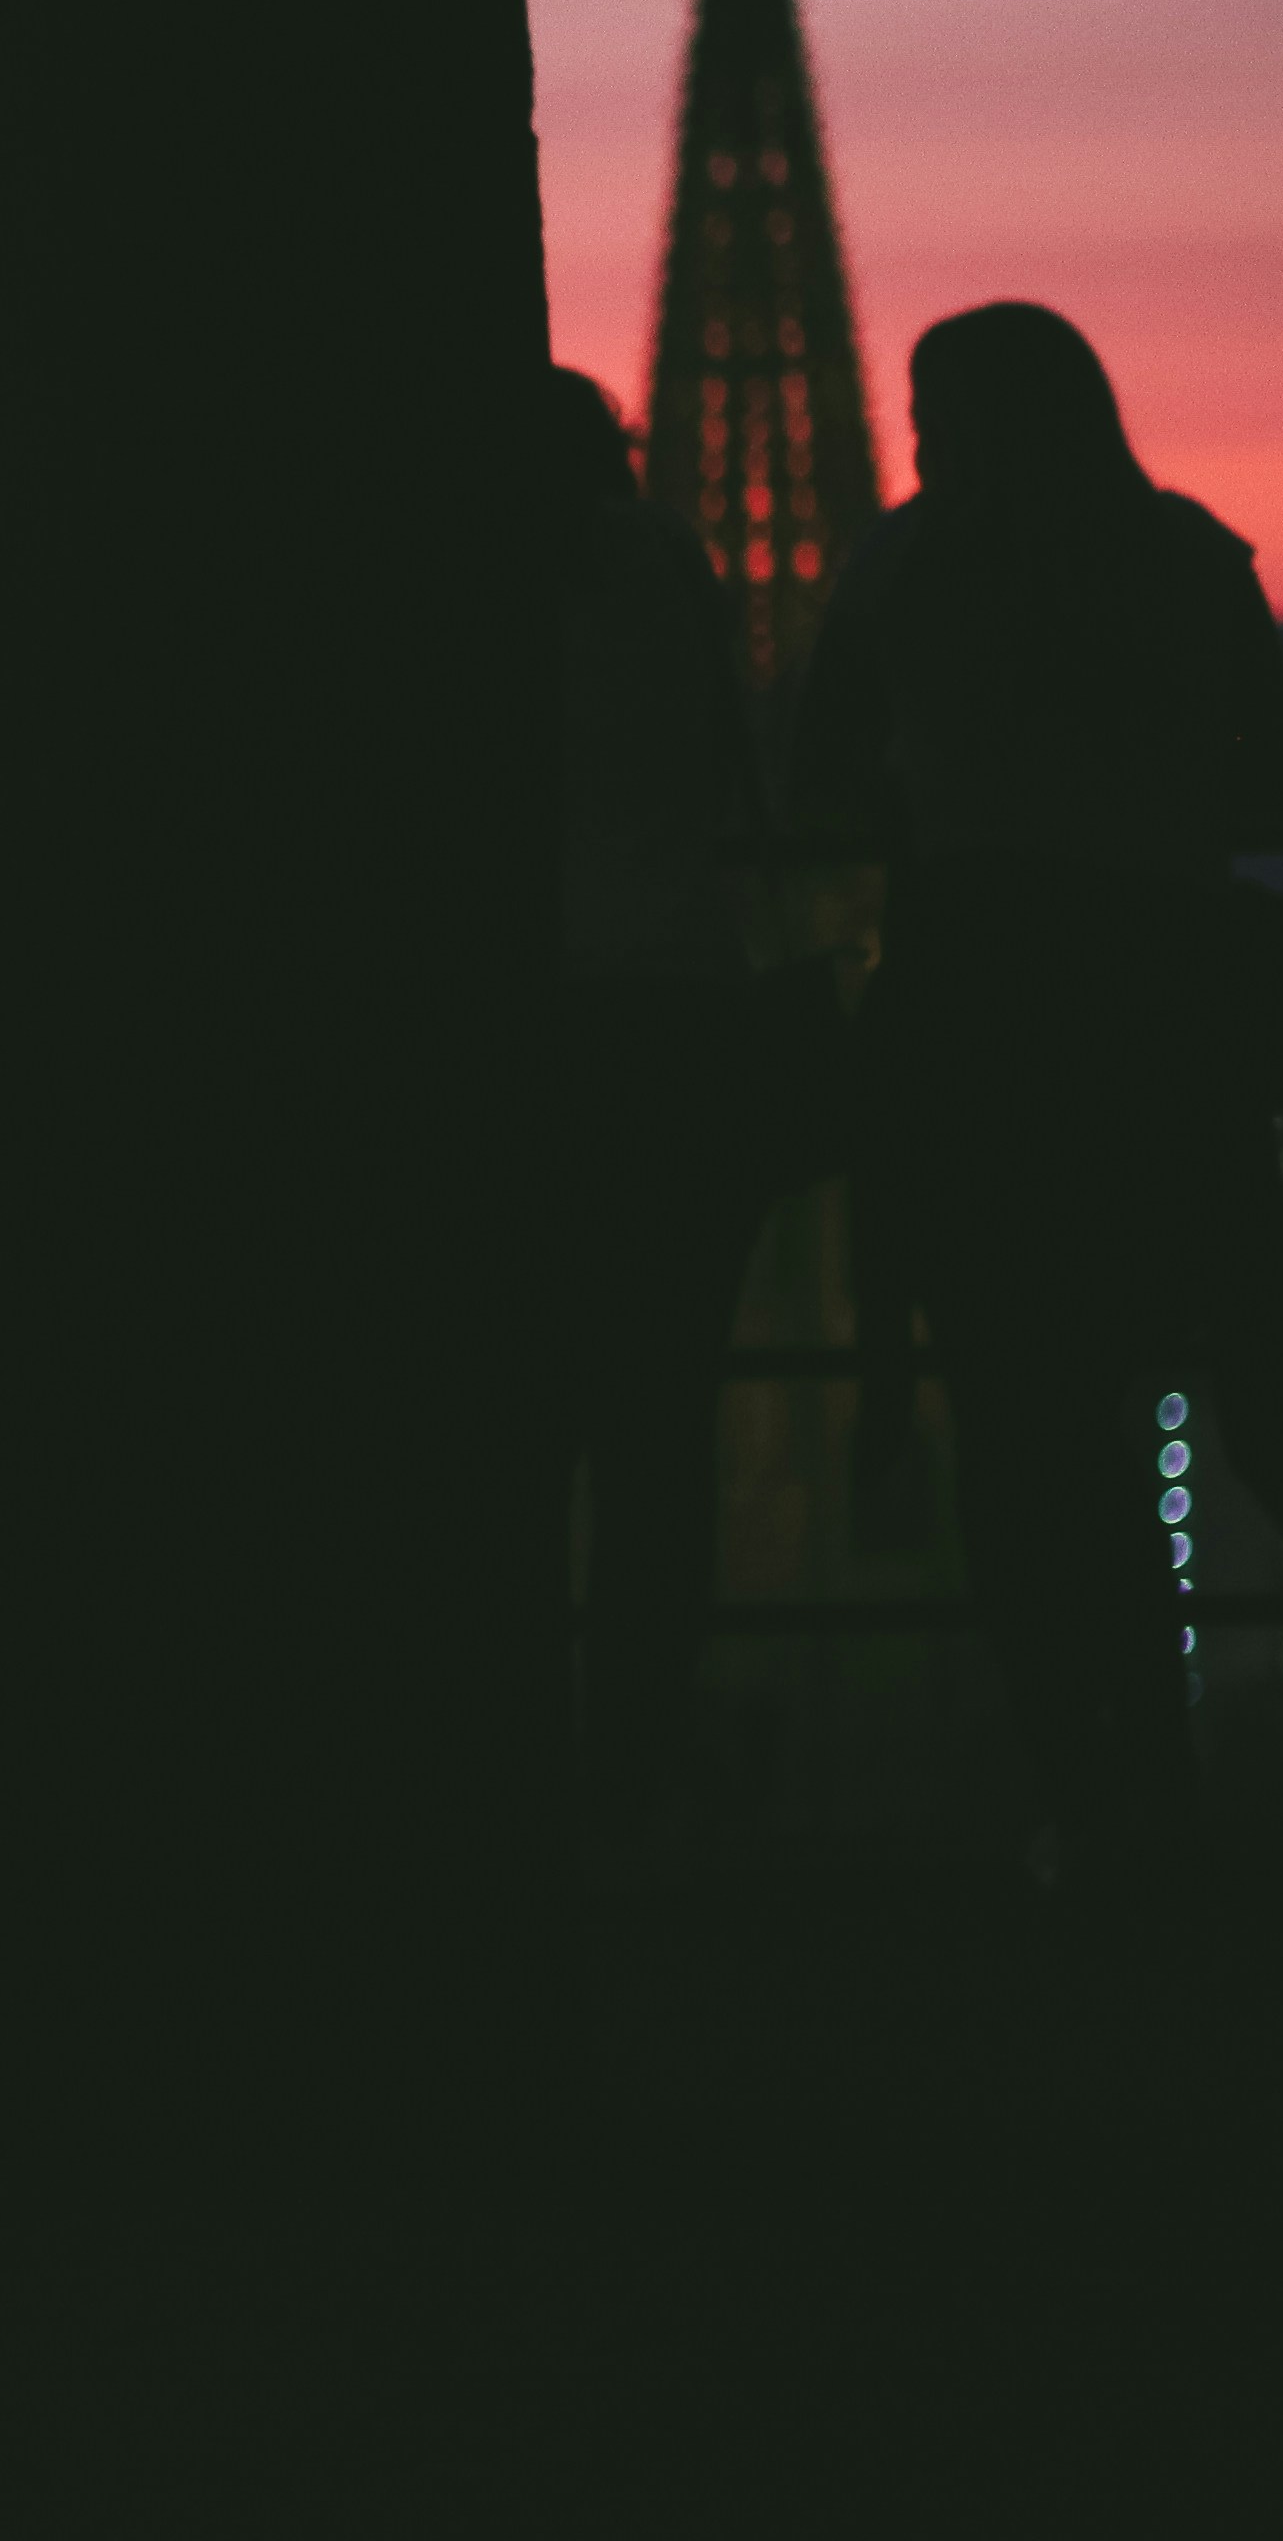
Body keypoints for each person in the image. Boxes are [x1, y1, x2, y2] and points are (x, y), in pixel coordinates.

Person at [789, 301, 1283, 1886]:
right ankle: (1158, 1757)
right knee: (1118, 1394)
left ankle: (1080, 1786)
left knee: (1013, 1428)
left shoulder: (899, 566)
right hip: (1155, 1004)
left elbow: (816, 780)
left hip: (976, 997)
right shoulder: (1188, 555)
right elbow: (1280, 780)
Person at [541, 367, 773, 1833]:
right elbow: (753, 785)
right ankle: (639, 1753)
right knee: (661, 1424)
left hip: (533, 1042)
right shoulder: (672, 565)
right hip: (691, 1030)